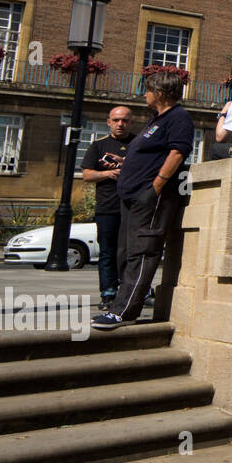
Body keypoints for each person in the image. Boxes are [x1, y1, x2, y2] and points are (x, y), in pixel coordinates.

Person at [93, 70, 194, 330]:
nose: (144, 94)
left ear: (160, 93)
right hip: (130, 196)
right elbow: (153, 153)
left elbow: (177, 152)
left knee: (142, 253)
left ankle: (124, 312)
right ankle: (119, 305)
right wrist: (127, 163)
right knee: (125, 253)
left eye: (147, 90)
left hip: (149, 197)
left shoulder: (178, 117)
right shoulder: (156, 119)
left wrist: (156, 186)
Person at [80, 105, 136, 310]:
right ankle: (108, 293)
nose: (120, 124)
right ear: (109, 122)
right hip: (107, 206)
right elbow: (87, 175)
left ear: (131, 122)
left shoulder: (138, 144)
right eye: (116, 120)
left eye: (124, 120)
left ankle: (132, 290)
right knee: (108, 252)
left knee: (132, 251)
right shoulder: (98, 146)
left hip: (132, 206)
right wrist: (108, 174)